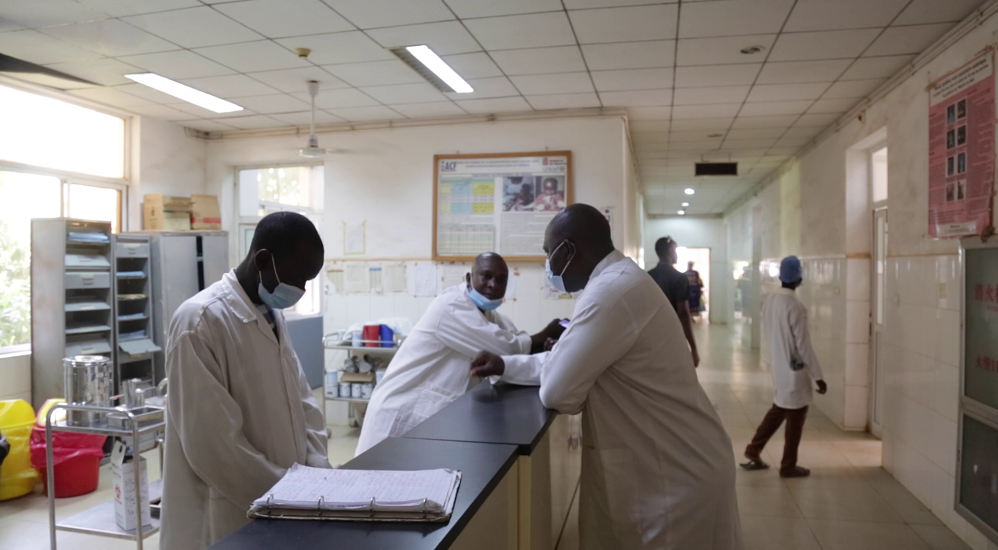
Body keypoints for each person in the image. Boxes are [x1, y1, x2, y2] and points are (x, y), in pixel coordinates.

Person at [470, 204, 742, 550]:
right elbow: (565, 362)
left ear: (567, 251)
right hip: (669, 461)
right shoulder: (615, 282)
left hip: (674, 474)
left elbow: (558, 392)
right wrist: (507, 366)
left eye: (547, 253)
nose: (547, 266)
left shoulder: (611, 293)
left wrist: (561, 367)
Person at [160, 212, 330, 550]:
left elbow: (303, 402)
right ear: (263, 260)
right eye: (297, 279)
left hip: (286, 503)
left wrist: (318, 472)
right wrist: (286, 494)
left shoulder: (270, 314)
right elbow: (214, 447)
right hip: (226, 512)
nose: (301, 289)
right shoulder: (200, 322)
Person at [354, 252, 565, 455]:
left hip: (430, 417)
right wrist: (548, 331)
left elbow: (515, 339)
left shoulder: (490, 315)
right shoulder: (451, 305)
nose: (493, 284)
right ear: (469, 278)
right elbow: (505, 348)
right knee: (376, 481)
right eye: (486, 276)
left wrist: (541, 344)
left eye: (501, 279)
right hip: (399, 410)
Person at [740, 256, 827, 478]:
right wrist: (818, 376)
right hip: (794, 373)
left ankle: (753, 449)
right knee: (795, 419)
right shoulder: (795, 306)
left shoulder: (770, 300)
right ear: (799, 279)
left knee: (778, 411)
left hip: (777, 367)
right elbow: (804, 346)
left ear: (780, 276)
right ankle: (788, 466)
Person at [647, 237, 700, 366]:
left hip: (650, 338)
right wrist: (693, 348)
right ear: (670, 251)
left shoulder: (648, 276)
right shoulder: (679, 278)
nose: (676, 254)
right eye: (675, 250)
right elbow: (683, 314)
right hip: (672, 337)